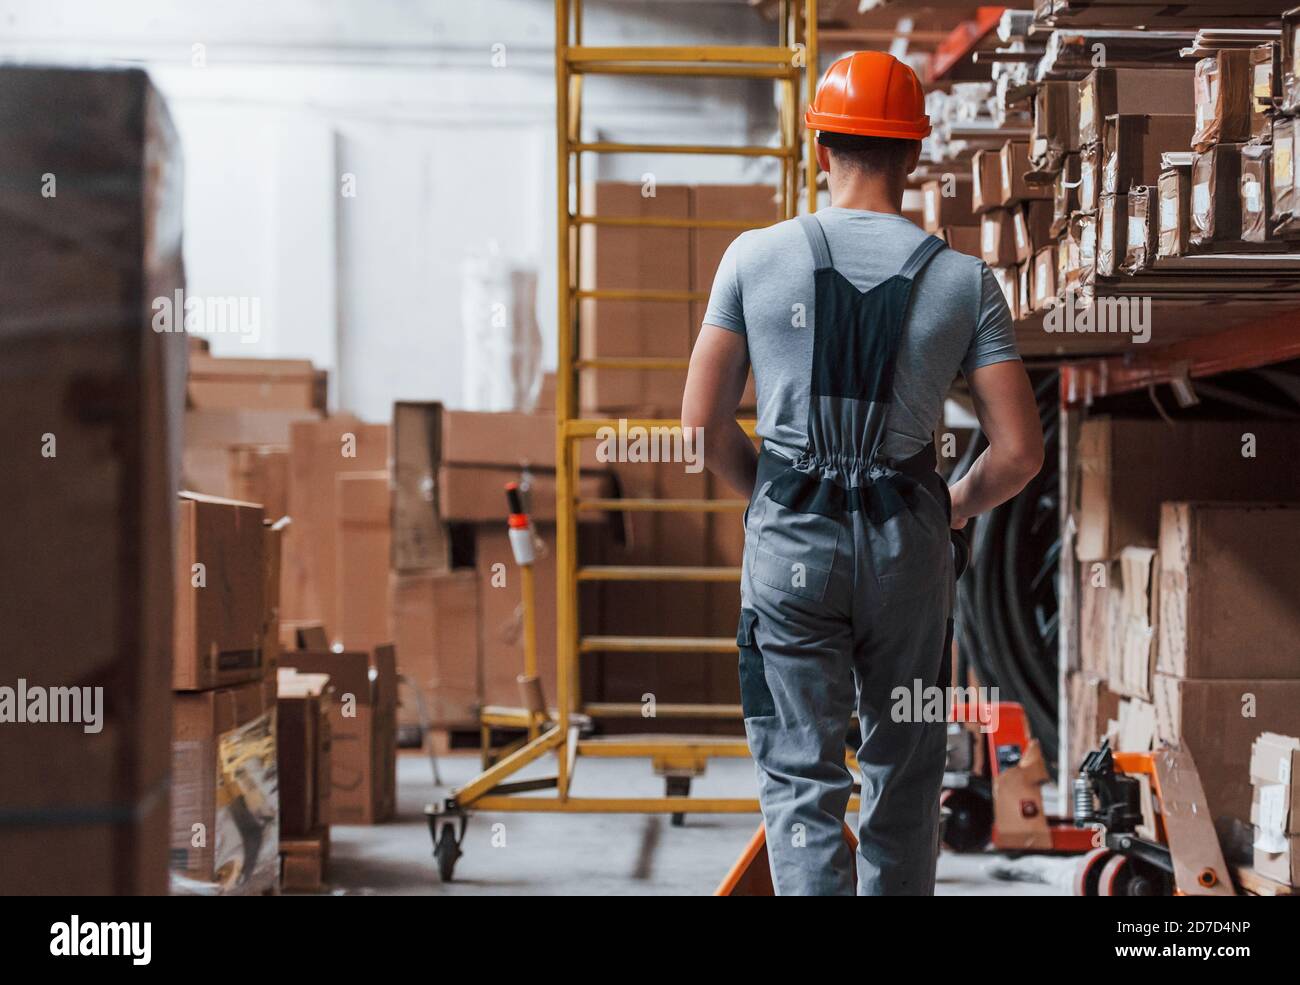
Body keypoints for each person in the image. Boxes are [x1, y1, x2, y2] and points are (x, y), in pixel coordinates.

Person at [681, 50, 1044, 895]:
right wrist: (950, 501)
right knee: (905, 774)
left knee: (802, 780)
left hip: (790, 547)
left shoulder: (751, 258)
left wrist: (778, 493)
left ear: (818, 149)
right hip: (907, 548)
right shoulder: (964, 282)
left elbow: (700, 427)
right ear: (915, 156)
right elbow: (1021, 452)